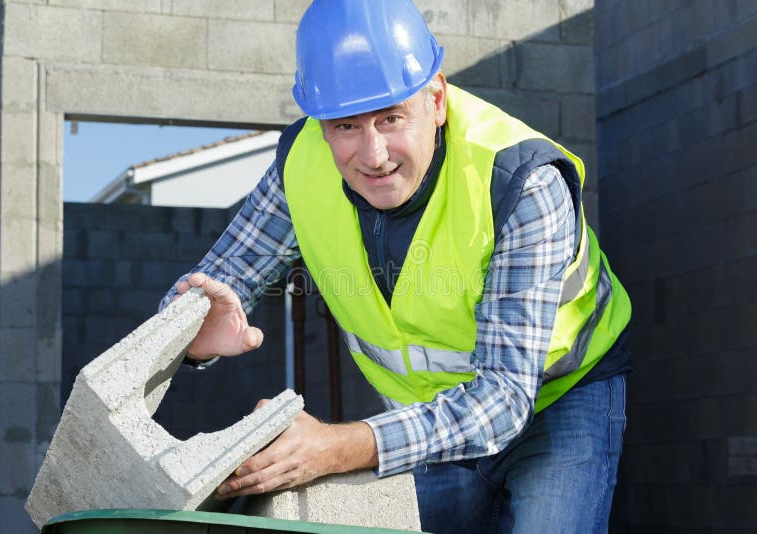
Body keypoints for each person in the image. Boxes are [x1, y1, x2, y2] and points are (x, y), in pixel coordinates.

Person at [161, 1, 632, 532]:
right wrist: (189, 336)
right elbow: (216, 282)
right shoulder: (301, 167)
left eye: (391, 117)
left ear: (436, 99)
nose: (374, 153)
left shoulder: (521, 181)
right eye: (345, 126)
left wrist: (337, 447)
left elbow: (502, 399)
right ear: (319, 125)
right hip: (429, 413)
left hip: (561, 395)